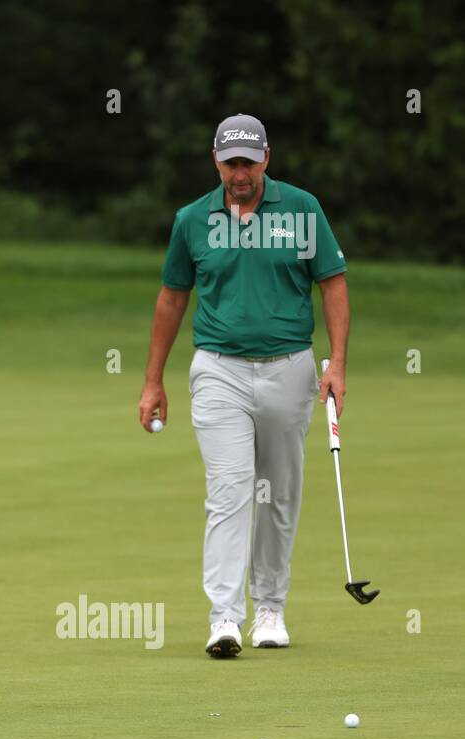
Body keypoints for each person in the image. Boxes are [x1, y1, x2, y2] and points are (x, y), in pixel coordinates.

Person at [138, 114, 350, 658]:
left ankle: (271, 609)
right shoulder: (192, 220)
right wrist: (152, 380)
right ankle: (225, 619)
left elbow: (332, 284)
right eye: (230, 163)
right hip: (218, 371)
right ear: (216, 161)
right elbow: (172, 299)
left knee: (278, 494)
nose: (239, 174)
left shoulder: (302, 210)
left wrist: (338, 365)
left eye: (248, 163)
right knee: (229, 491)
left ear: (266, 159)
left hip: (290, 368)